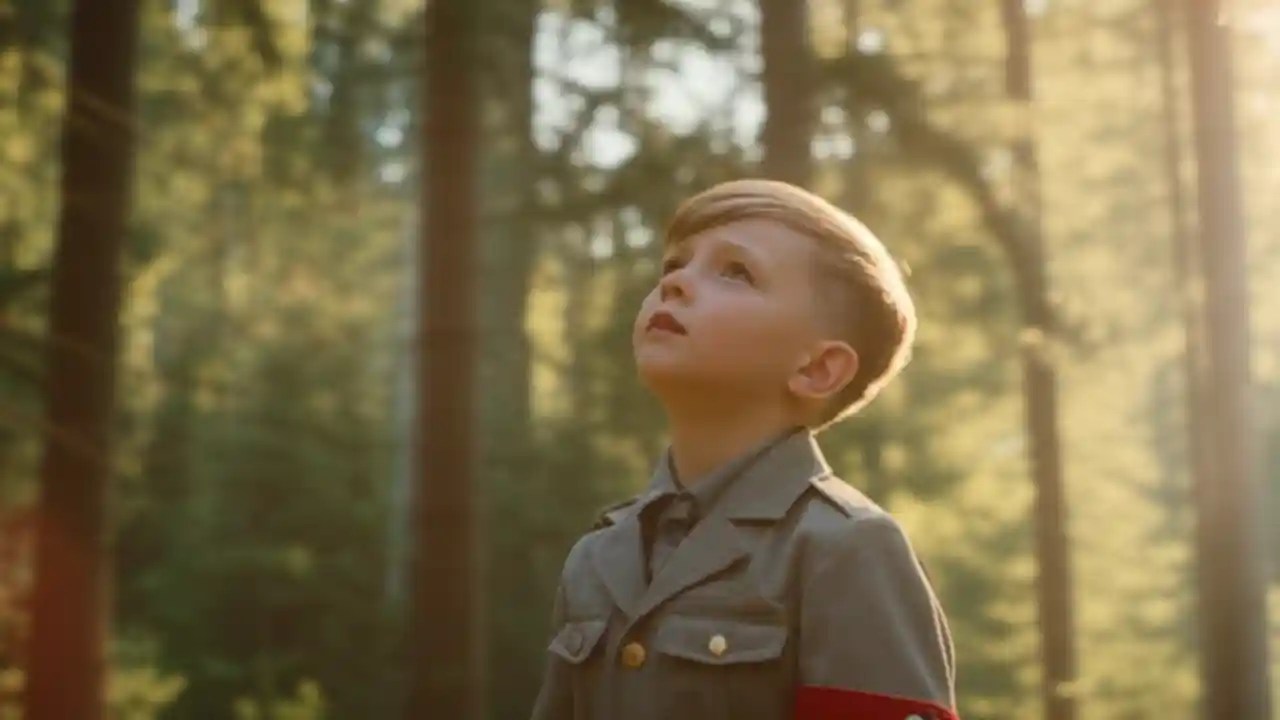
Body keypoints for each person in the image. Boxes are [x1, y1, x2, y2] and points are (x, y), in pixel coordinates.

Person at [530, 179, 958, 720]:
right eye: (673, 266)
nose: (677, 283)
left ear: (816, 368)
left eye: (736, 272)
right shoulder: (599, 556)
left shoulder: (846, 547)